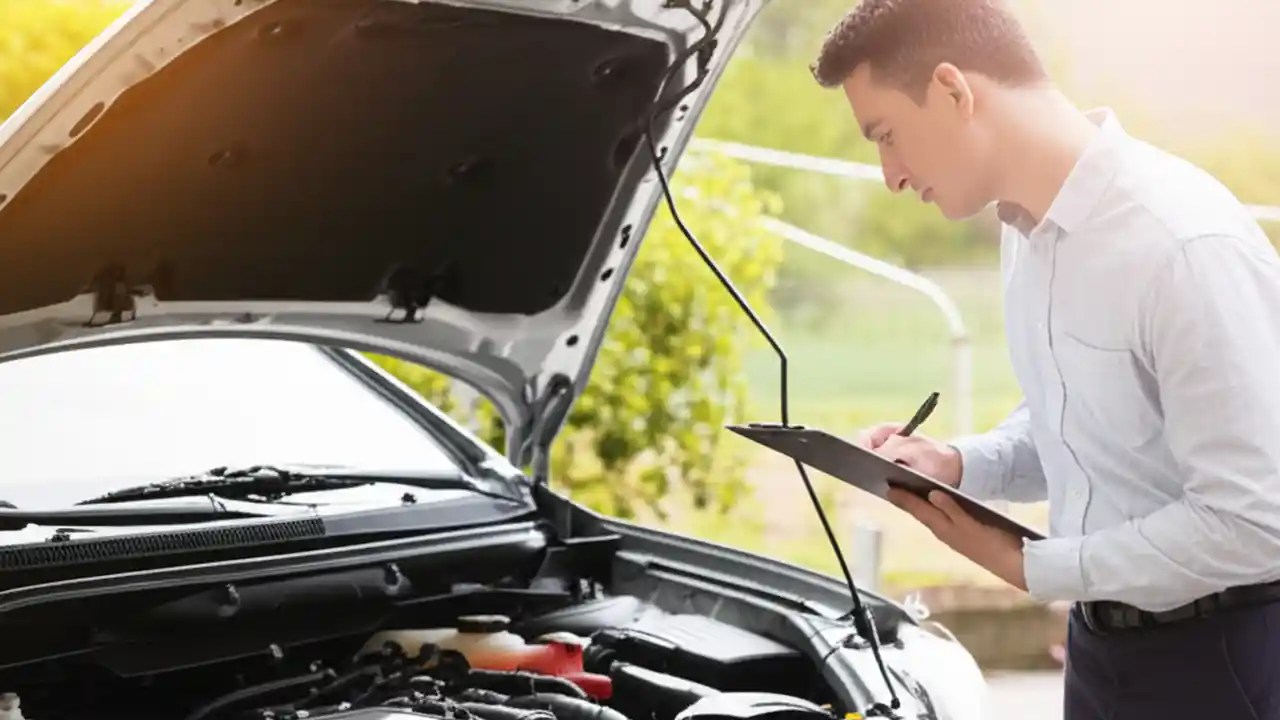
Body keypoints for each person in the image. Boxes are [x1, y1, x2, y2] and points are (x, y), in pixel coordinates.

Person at [809, 1, 1280, 718]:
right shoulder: (1024, 231)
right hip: (1099, 655)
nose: (890, 176)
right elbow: (1085, 418)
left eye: (887, 135)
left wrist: (1034, 566)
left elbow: (1253, 521)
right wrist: (962, 465)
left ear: (953, 91)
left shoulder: (1184, 247)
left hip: (1221, 664)